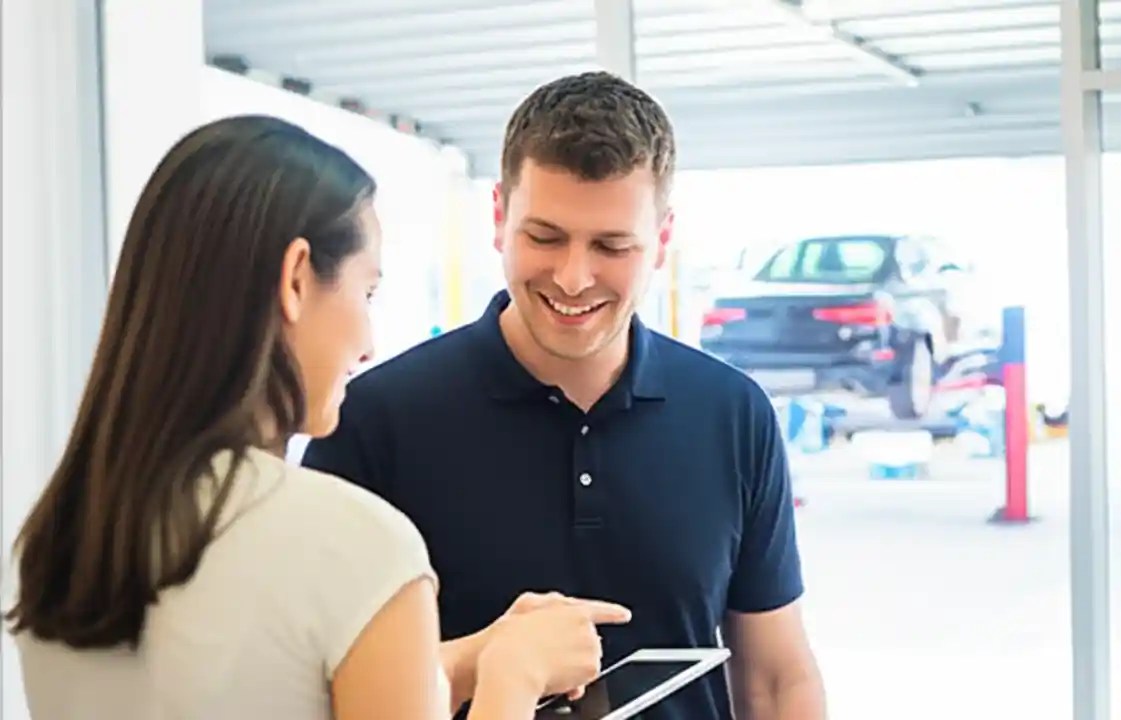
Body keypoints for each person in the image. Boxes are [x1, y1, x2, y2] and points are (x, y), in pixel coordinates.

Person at [4, 114, 630, 720]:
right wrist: (514, 678)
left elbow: (274, 690)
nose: (368, 344)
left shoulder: (63, 536)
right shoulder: (358, 546)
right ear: (297, 279)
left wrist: (476, 654)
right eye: (367, 292)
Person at [302, 72, 828, 719]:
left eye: (611, 245)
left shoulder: (733, 414)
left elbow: (776, 677)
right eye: (544, 237)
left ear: (661, 241)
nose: (573, 278)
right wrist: (492, 663)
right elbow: (315, 690)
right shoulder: (374, 421)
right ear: (498, 217)